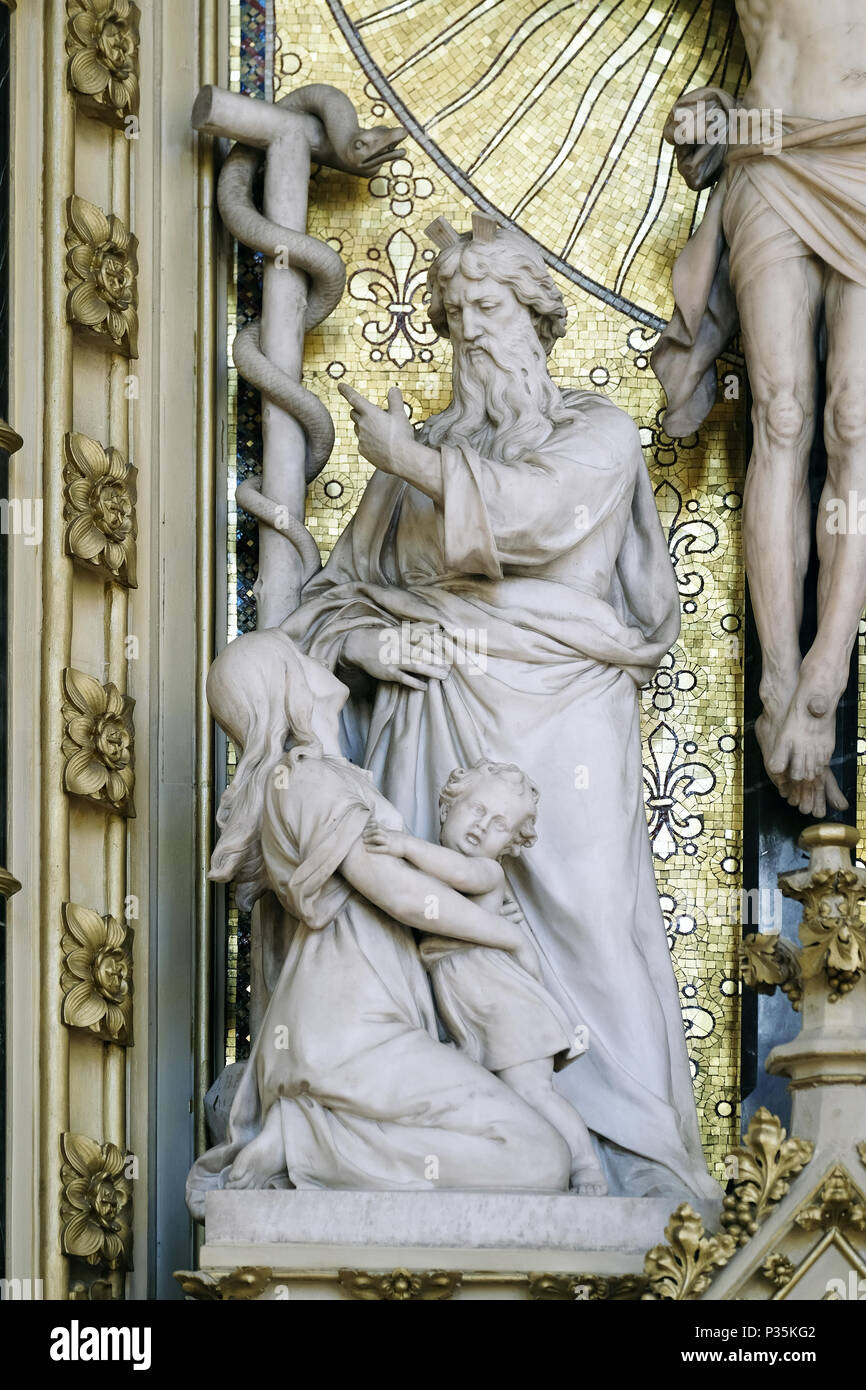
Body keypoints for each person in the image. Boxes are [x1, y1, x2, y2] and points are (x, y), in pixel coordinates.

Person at [282, 215, 718, 1203]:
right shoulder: (421, 452)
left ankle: (634, 1162)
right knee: (432, 931)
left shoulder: (591, 432)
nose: (471, 329)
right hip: (430, 727)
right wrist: (372, 642)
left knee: (592, 923)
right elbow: (336, 603)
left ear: (535, 312)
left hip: (564, 725)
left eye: (490, 306)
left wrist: (409, 460)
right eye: (453, 312)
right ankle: (464, 1149)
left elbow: (532, 516)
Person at [186, 630, 571, 1219]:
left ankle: (308, 1139)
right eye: (297, 657)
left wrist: (478, 908)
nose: (314, 658)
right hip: (350, 1030)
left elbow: (411, 896)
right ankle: (305, 1141)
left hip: (368, 1021)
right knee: (539, 1159)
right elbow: (401, 897)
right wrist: (507, 935)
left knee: (532, 1150)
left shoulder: (332, 776)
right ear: (285, 690)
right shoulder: (305, 779)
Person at [653, 0, 866, 817]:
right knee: (779, 416)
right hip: (771, 148)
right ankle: (777, 675)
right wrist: (709, 109)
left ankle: (826, 676)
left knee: (854, 423)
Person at [363, 758, 608, 1195]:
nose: (480, 828)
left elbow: (458, 873)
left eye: (498, 825)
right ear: (446, 808)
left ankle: (585, 1165)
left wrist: (405, 845)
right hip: (472, 1012)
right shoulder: (433, 875)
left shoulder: (485, 872)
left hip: (505, 1007)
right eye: (476, 811)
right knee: (498, 1099)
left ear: (509, 845)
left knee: (533, 1092)